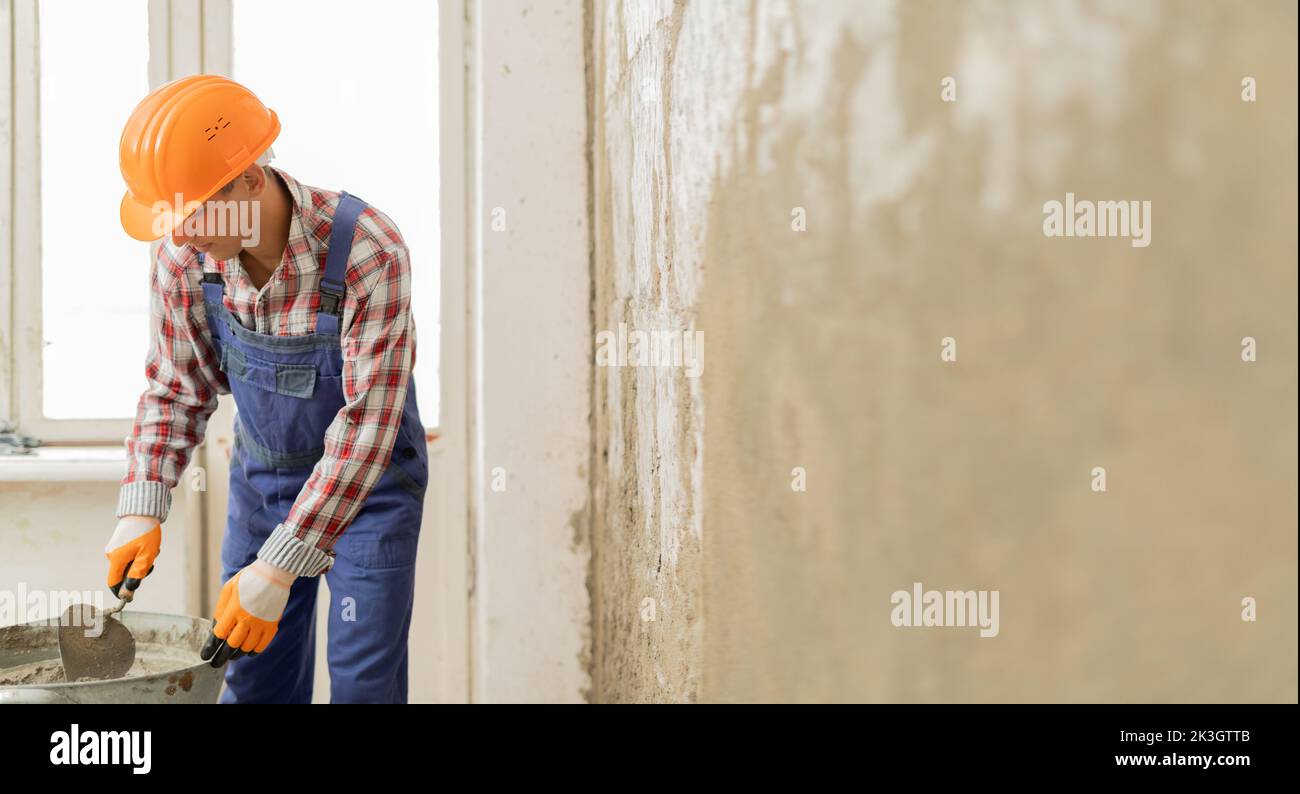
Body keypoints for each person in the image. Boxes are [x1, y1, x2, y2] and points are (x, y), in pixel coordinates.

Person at [103, 74, 427, 703]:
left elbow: (367, 431)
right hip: (264, 487)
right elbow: (176, 387)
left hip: (370, 491)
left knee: (364, 684)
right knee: (251, 681)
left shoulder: (368, 251)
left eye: (191, 213)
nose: (178, 236)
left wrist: (280, 566)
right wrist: (141, 504)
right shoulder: (187, 260)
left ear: (250, 180)